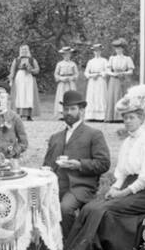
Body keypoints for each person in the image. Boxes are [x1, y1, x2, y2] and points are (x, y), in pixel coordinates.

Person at [63, 95, 145, 250]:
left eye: (132, 118)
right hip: (128, 187)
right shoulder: (127, 142)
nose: (128, 121)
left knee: (102, 210)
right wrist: (115, 187)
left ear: (141, 119)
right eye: (125, 118)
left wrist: (122, 193)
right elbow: (122, 172)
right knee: (91, 207)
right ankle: (78, 249)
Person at [42, 90, 111, 238]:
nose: (68, 113)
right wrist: (45, 170)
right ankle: (48, 238)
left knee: (64, 208)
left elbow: (104, 163)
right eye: (66, 109)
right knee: (35, 202)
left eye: (72, 109)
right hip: (56, 185)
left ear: (81, 110)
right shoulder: (55, 137)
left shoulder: (94, 134)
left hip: (80, 186)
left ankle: (71, 243)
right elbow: (47, 164)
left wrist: (79, 165)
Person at [103, 38, 136, 123]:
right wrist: (113, 74)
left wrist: (124, 73)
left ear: (123, 49)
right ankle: (111, 117)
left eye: (120, 48)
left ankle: (121, 117)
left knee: (122, 96)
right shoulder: (112, 58)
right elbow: (107, 70)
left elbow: (131, 71)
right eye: (117, 48)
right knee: (112, 96)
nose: (118, 50)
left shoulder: (127, 59)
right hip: (114, 79)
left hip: (123, 80)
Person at [7, 45, 40, 121]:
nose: (24, 51)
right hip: (19, 79)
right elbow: (12, 70)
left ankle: (29, 115)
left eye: (25, 49)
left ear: (28, 50)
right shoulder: (16, 60)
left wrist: (30, 69)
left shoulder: (32, 59)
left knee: (28, 96)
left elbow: (37, 69)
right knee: (20, 95)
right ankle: (19, 114)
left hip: (29, 79)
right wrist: (11, 79)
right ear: (20, 51)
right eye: (22, 50)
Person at [83, 44, 109, 122]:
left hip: (100, 80)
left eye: (98, 51)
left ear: (101, 51)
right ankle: (91, 116)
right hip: (92, 81)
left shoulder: (104, 61)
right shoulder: (90, 61)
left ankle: (101, 116)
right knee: (92, 96)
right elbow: (86, 72)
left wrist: (100, 74)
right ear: (93, 52)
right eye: (95, 51)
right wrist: (91, 75)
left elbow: (107, 71)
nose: (97, 52)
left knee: (100, 96)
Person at [52, 46, 79, 118]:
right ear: (63, 55)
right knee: (61, 97)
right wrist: (61, 78)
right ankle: (61, 113)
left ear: (70, 55)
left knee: (71, 97)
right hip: (62, 83)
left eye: (68, 54)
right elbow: (56, 74)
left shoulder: (73, 64)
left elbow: (76, 74)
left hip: (70, 83)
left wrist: (71, 78)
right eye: (65, 54)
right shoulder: (60, 64)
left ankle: (71, 113)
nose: (67, 56)